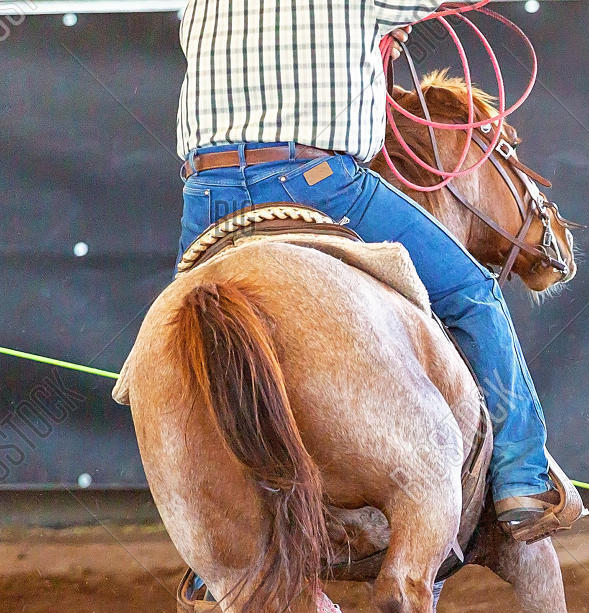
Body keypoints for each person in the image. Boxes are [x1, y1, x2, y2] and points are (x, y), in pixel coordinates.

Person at [174, 0, 563, 534]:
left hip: (207, 194)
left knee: (181, 361)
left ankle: (206, 558)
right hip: (317, 182)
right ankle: (522, 478)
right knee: (474, 294)